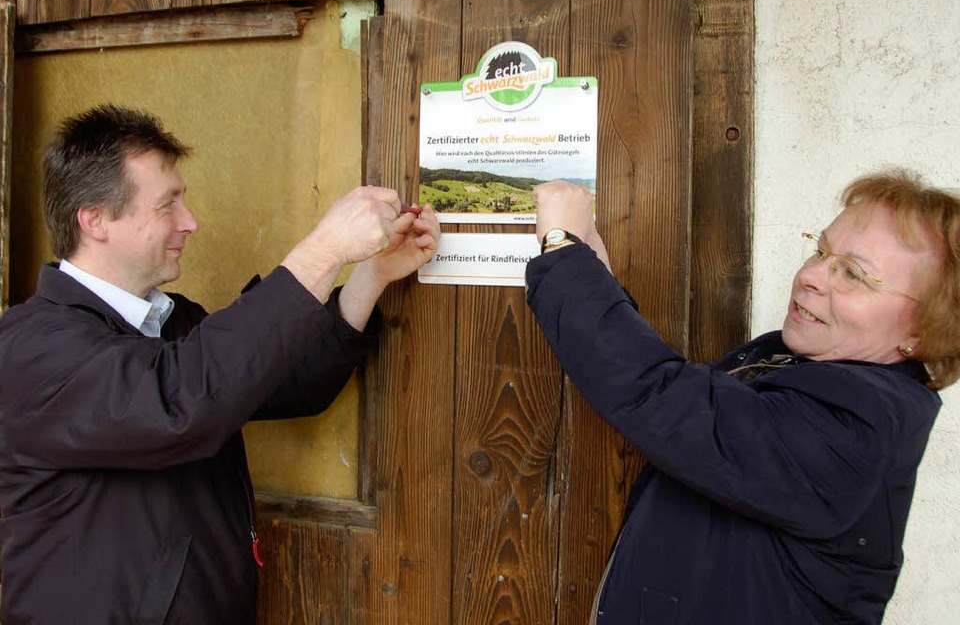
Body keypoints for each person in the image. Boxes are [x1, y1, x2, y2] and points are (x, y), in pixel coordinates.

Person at [0, 104, 440, 624]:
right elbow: (181, 402)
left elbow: (283, 380)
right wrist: (323, 251)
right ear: (95, 219)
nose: (190, 222)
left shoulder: (174, 321)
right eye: (168, 206)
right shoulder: (31, 348)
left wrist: (372, 275)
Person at [526, 169, 960, 624]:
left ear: (923, 330)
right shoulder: (795, 363)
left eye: (852, 273)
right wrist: (593, 269)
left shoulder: (855, 428)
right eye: (821, 251)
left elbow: (661, 399)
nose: (811, 275)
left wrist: (562, 250)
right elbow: (688, 406)